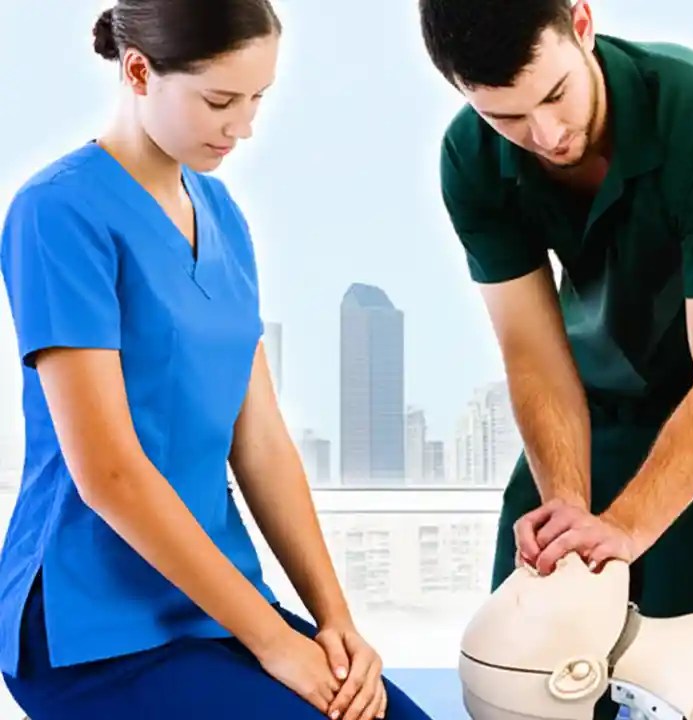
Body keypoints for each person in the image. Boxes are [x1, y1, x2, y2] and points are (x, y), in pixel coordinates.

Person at [0, 3, 431, 718]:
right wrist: (272, 643)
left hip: (214, 608)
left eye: (258, 98)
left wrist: (335, 624)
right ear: (139, 71)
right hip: (89, 626)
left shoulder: (224, 214)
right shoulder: (58, 212)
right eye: (219, 100)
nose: (243, 126)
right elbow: (108, 473)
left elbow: (260, 442)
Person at [419, 0, 693, 632]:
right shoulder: (469, 158)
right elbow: (532, 355)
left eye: (554, 95)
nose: (545, 135)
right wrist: (571, 507)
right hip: (594, 389)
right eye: (507, 116)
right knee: (534, 632)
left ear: (581, 25)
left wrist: (626, 528)